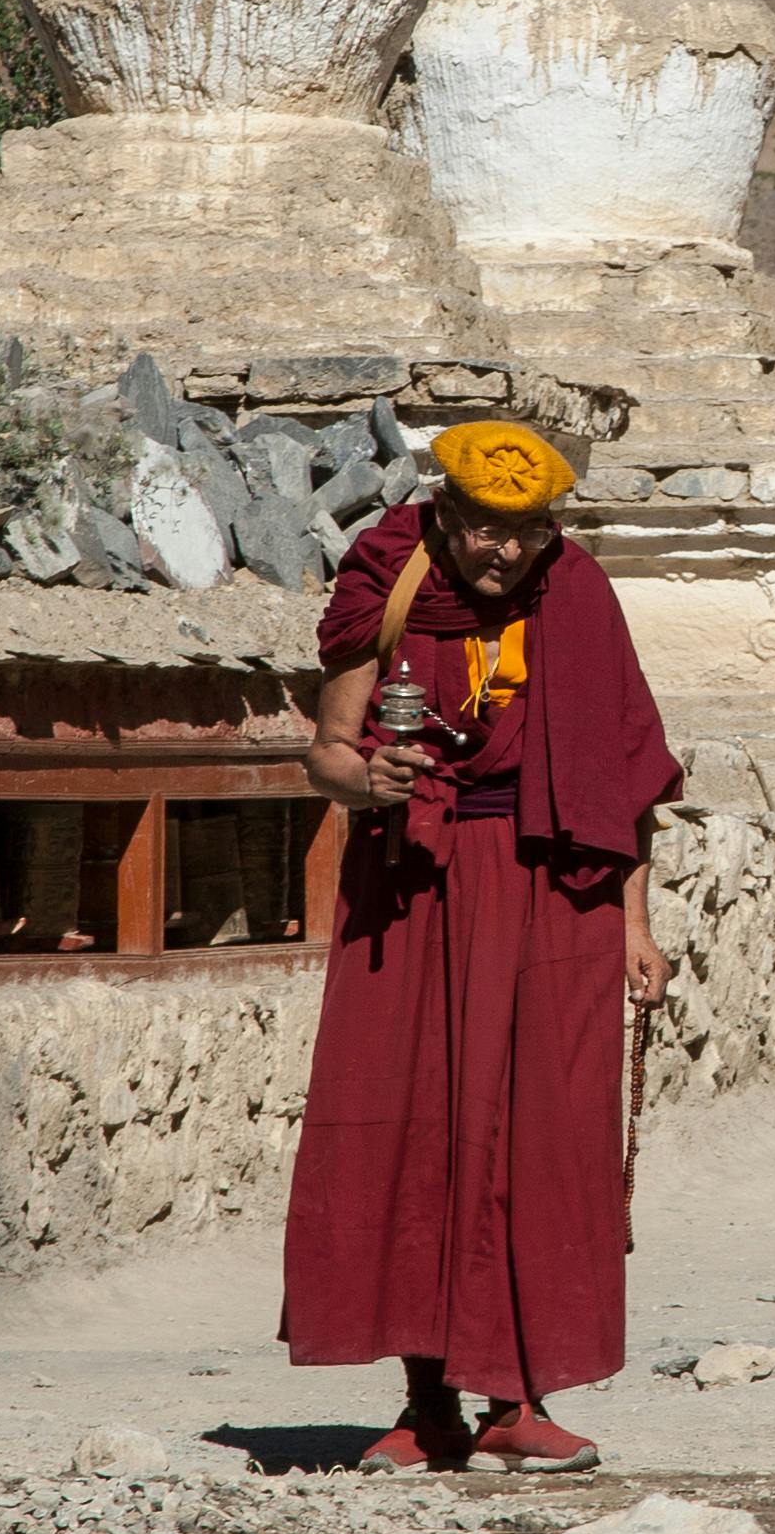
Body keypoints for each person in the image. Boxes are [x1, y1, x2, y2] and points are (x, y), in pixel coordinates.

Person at [281, 419, 680, 1471]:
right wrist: (364, 782)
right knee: (416, 1121)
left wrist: (638, 923)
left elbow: (625, 775)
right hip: (416, 883)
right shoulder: (388, 584)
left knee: (540, 1129)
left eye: (528, 532)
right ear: (443, 514)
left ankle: (517, 1398)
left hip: (556, 885)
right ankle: (424, 1408)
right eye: (487, 531)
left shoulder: (576, 593)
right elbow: (326, 750)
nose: (505, 554)